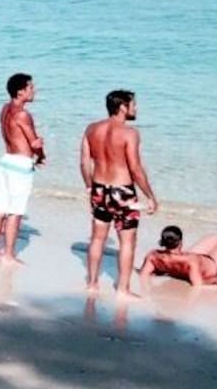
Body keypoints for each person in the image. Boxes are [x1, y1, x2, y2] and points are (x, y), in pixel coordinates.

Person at [80, 89, 157, 298]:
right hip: (122, 191)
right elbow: (135, 168)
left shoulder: (91, 129)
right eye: (134, 104)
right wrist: (150, 196)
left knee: (97, 239)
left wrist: (89, 186)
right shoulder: (130, 133)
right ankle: (123, 289)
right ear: (123, 107)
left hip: (99, 188)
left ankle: (92, 284)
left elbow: (84, 162)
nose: (136, 108)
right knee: (127, 242)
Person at [0, 73, 43, 264]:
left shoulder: (5, 109)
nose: (34, 91)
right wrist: (41, 154)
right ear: (20, 92)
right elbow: (34, 142)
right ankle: (9, 255)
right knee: (16, 211)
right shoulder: (23, 114)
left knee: (0, 209)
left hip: (6, 160)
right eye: (31, 87)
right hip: (20, 164)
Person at [136, 226, 217, 289]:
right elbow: (198, 286)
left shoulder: (153, 255)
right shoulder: (190, 261)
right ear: (180, 242)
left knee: (215, 237)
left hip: (195, 260)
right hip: (215, 266)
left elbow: (144, 275)